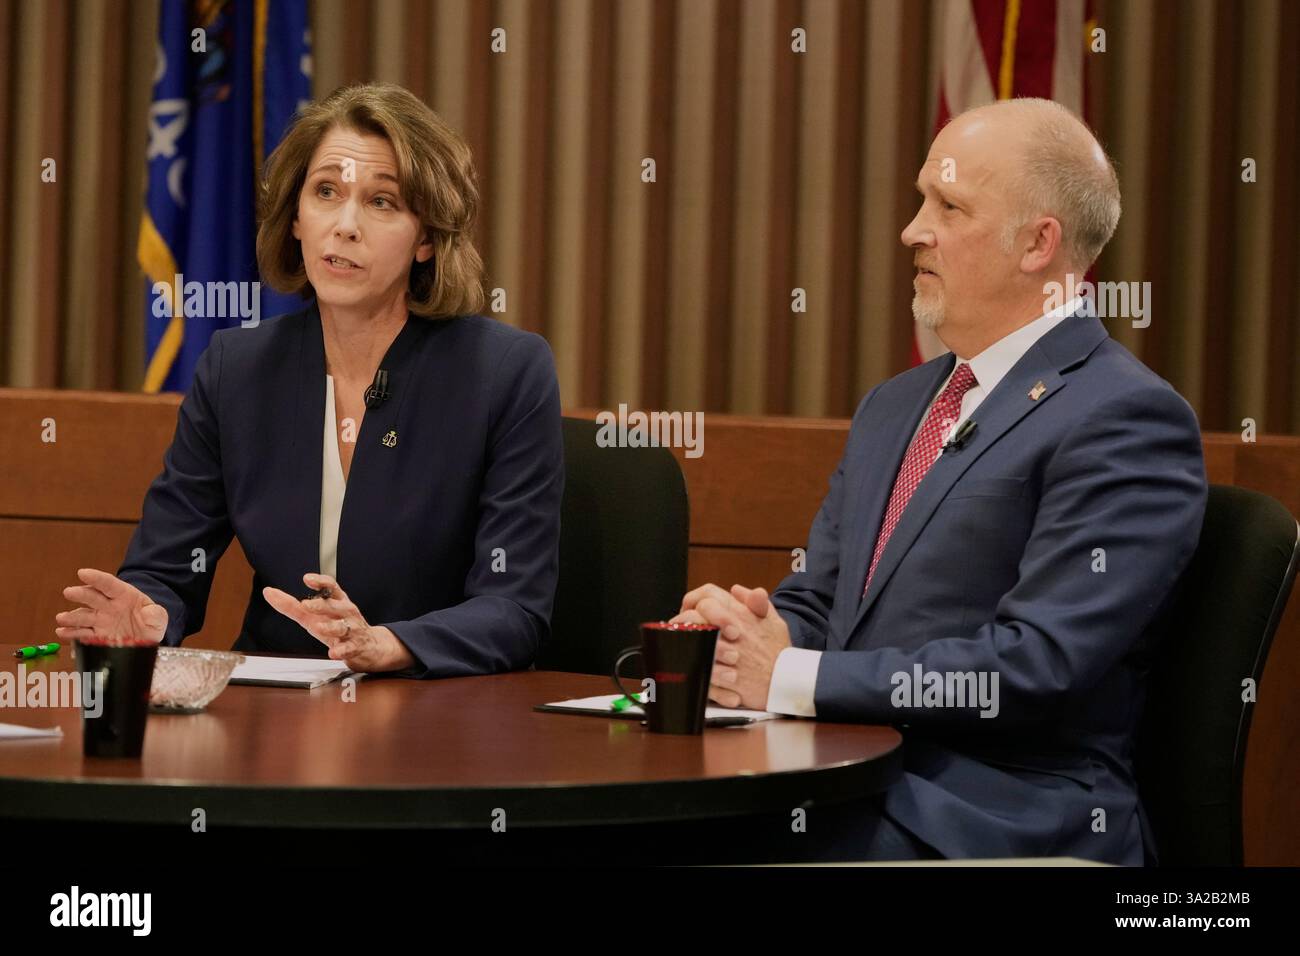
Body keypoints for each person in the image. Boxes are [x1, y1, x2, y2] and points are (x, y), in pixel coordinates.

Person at [674, 98, 1207, 864]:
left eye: (947, 206)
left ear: (1036, 244)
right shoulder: (895, 405)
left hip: (998, 811)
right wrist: (758, 634)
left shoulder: (1126, 418)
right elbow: (823, 601)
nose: (911, 230)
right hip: (850, 772)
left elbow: (1036, 667)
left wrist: (791, 674)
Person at [54, 83, 563, 679]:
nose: (345, 225)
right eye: (326, 192)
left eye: (381, 202)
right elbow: (165, 570)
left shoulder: (504, 373)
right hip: (273, 715)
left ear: (426, 238)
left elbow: (515, 608)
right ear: (296, 217)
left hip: (435, 716)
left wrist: (387, 644)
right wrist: (151, 617)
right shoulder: (236, 370)